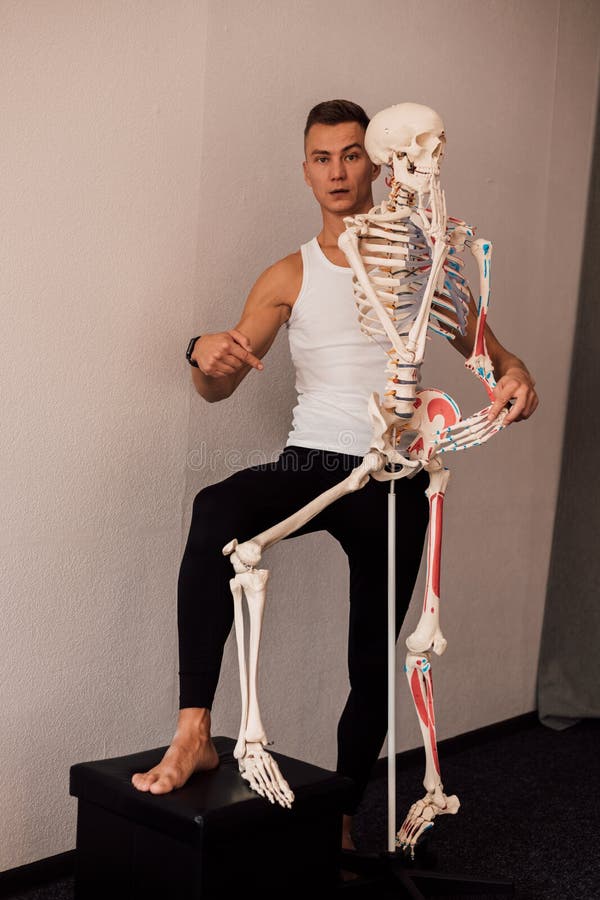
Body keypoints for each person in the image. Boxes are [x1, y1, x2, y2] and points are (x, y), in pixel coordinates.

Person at [131, 100, 538, 850]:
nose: (339, 171)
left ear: (378, 164)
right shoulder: (289, 273)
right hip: (315, 463)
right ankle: (195, 729)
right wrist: (204, 360)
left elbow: (491, 354)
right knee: (216, 509)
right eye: (323, 158)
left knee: (369, 660)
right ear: (307, 169)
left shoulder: (420, 261)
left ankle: (344, 825)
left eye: (352, 155)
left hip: (399, 477)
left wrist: (515, 376)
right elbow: (221, 383)